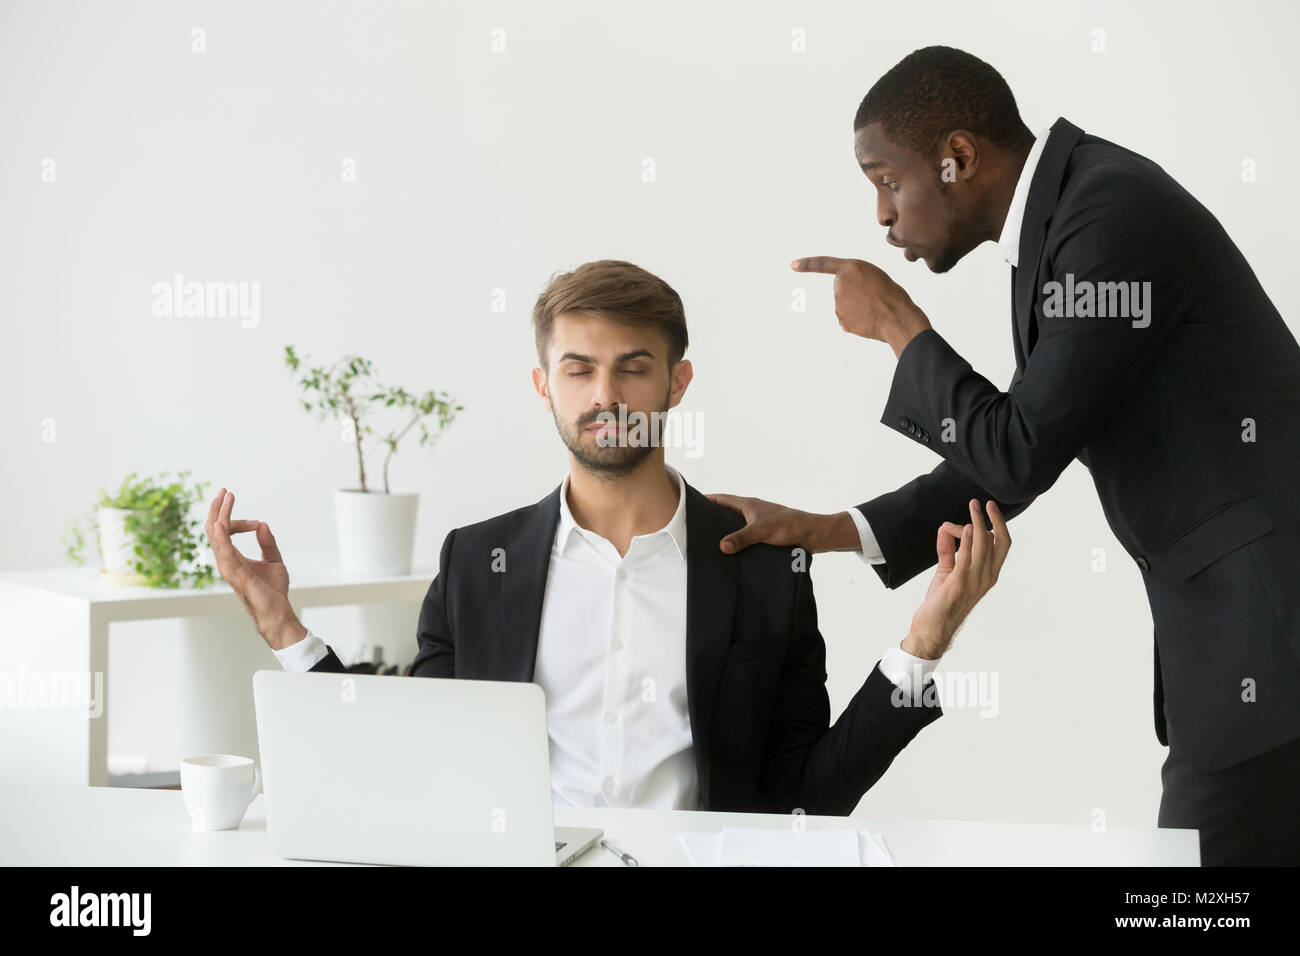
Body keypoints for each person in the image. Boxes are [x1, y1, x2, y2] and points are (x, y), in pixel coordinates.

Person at [709, 46, 1300, 864]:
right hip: (1244, 637)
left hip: (1268, 628)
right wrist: (831, 529)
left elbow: (1018, 450)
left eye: (887, 180)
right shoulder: (1072, 219)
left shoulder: (1110, 215)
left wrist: (897, 325)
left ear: (957, 158)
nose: (881, 217)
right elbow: (1019, 442)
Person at [206, 258, 1010, 815]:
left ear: (676, 382)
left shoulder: (764, 567)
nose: (605, 393)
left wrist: (923, 642)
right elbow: (415, 760)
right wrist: (281, 623)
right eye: (579, 369)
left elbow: (809, 796)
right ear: (542, 386)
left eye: (632, 367)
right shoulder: (476, 564)